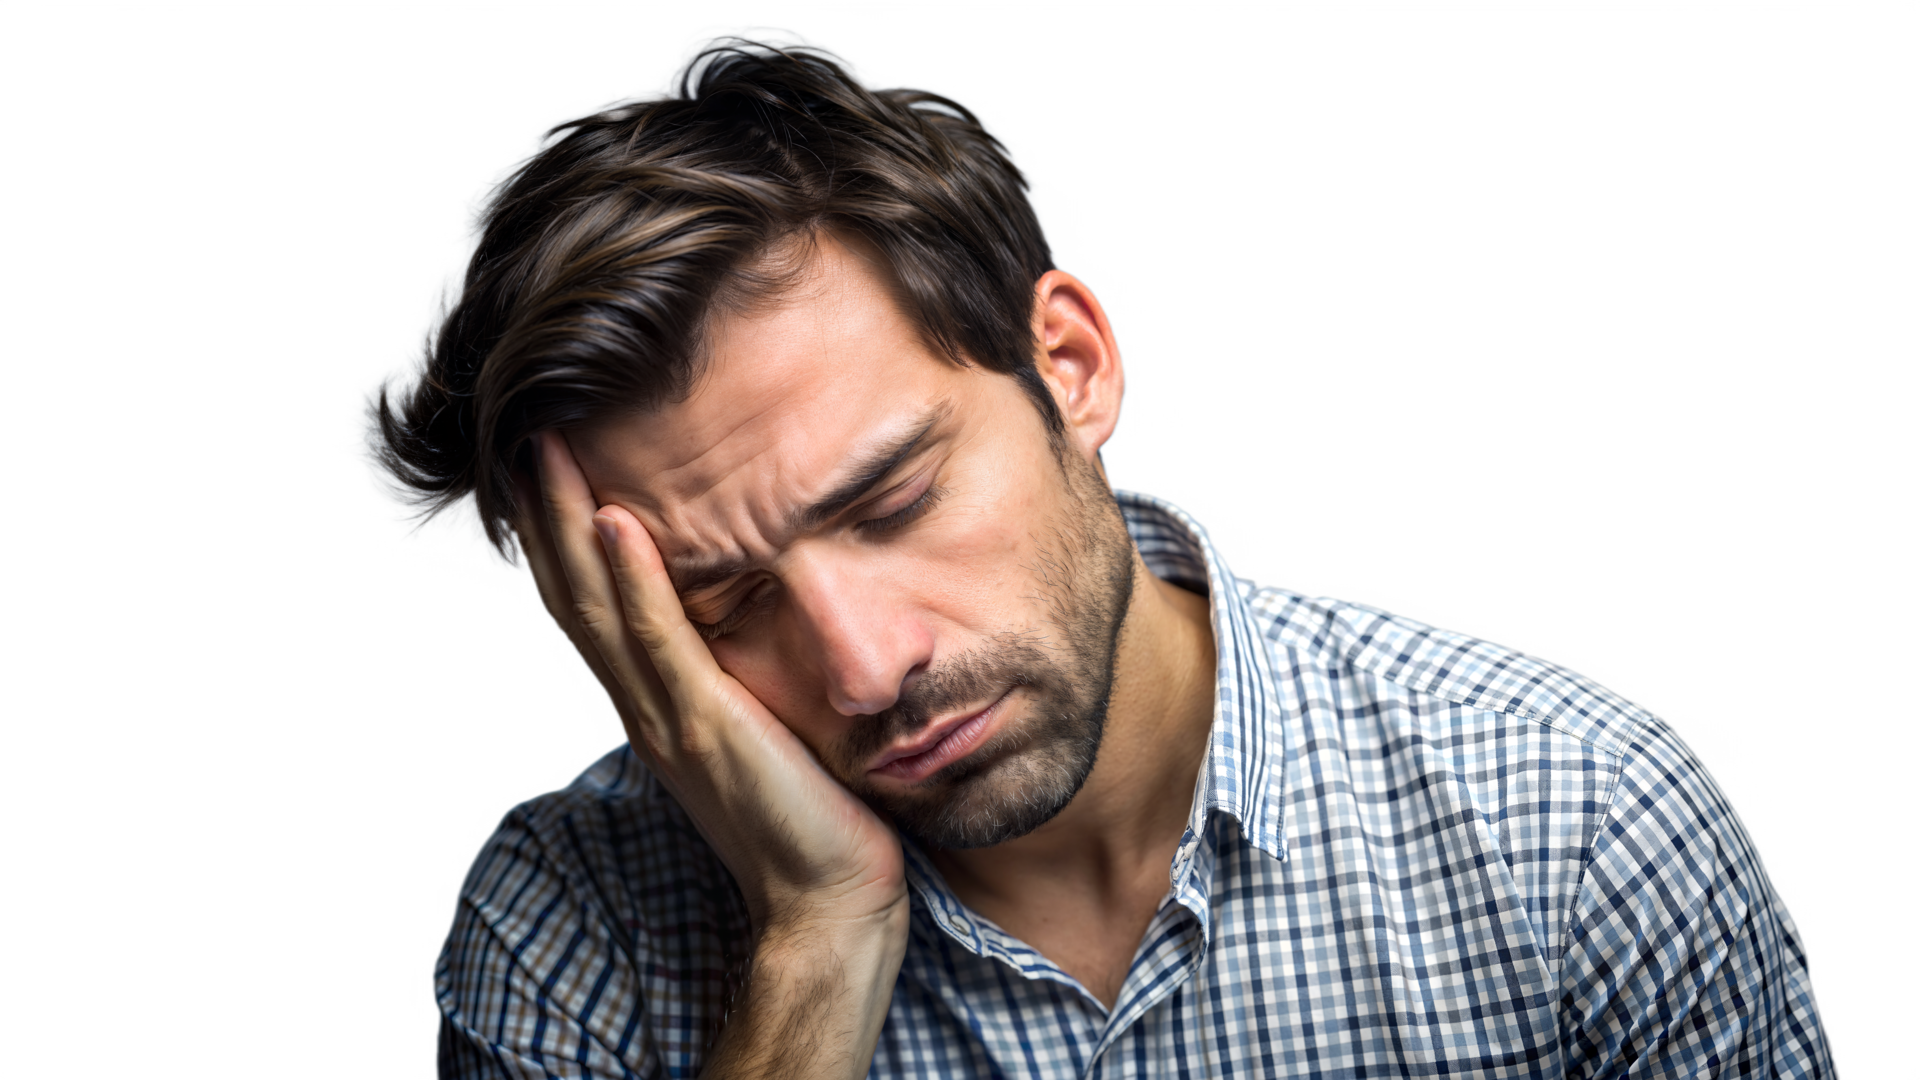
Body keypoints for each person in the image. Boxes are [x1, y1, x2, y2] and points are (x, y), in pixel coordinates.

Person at [369, 37, 1833, 1078]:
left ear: (1066, 367)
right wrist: (815, 945)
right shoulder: (575, 928)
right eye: (724, 602)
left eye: (893, 501)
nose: (867, 669)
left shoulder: (1573, 828)